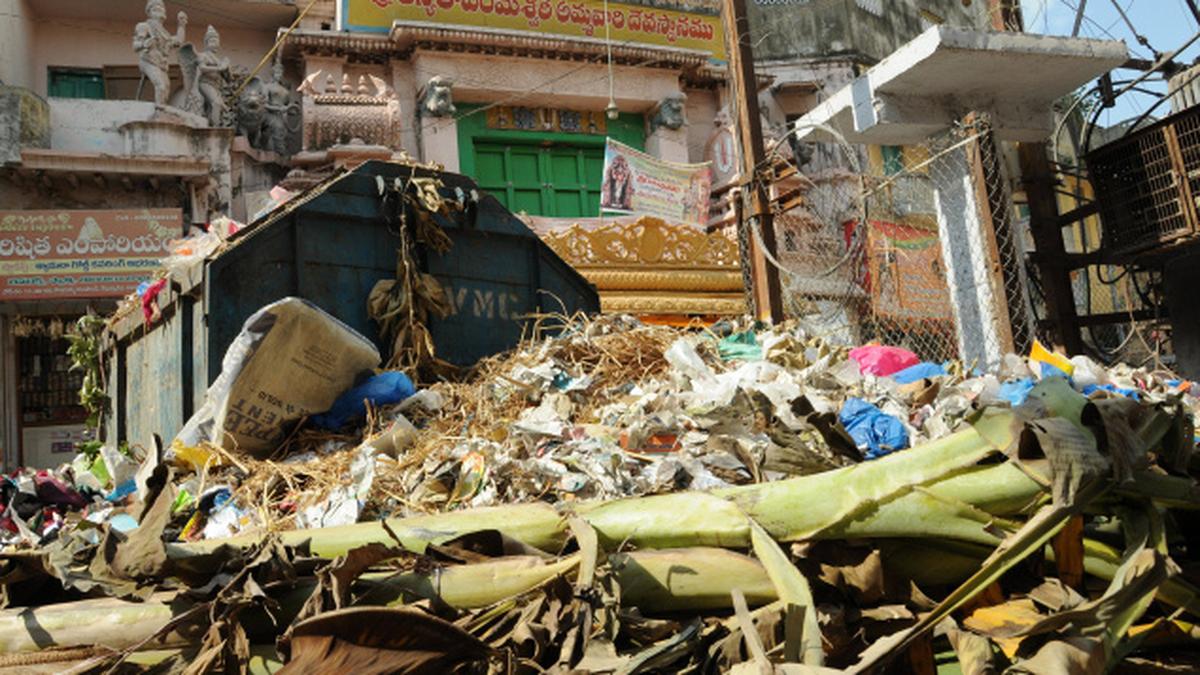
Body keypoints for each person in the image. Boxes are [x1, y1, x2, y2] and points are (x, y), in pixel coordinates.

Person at [133, 0, 186, 106]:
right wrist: (144, 44)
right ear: (150, 12)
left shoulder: (165, 33)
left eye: (162, 8)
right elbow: (135, 45)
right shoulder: (144, 26)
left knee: (166, 89)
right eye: (156, 9)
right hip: (148, 61)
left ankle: (161, 108)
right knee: (161, 86)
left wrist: (181, 25)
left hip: (161, 65)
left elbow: (178, 41)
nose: (160, 10)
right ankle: (159, 110)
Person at [196, 26, 231, 126]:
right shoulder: (203, 55)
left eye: (217, 41)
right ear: (206, 43)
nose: (215, 44)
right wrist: (219, 68)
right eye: (213, 41)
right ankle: (215, 127)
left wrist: (227, 67)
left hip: (216, 86)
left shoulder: (218, 60)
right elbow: (202, 68)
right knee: (216, 103)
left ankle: (210, 124)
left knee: (218, 108)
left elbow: (228, 78)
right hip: (205, 83)